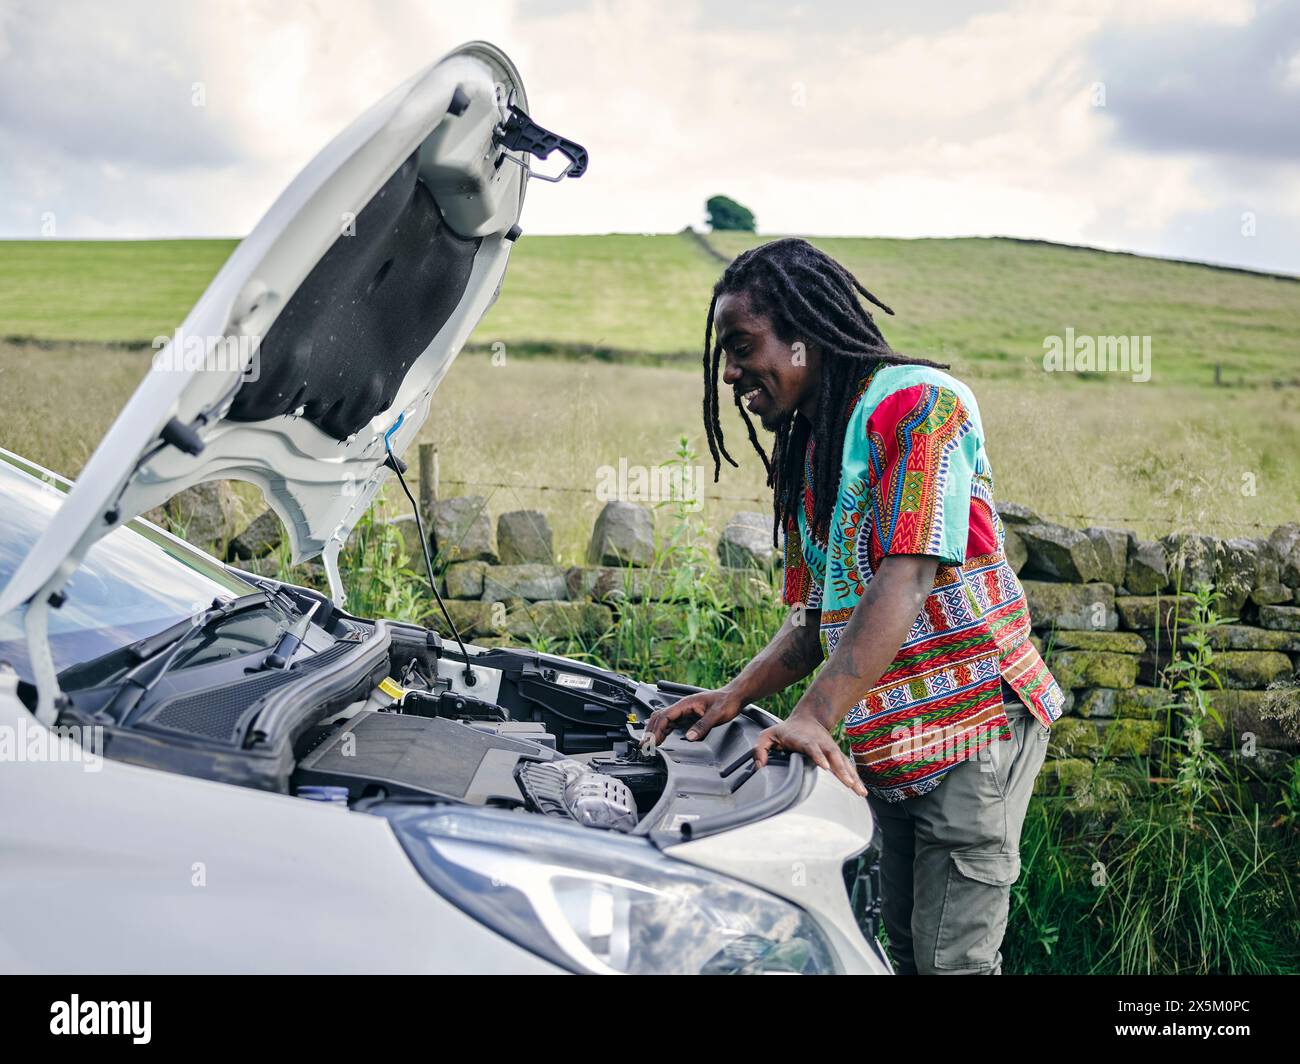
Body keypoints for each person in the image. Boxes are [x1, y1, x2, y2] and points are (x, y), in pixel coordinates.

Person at [644, 238, 1067, 974]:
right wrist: (734, 695)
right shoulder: (814, 450)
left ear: (806, 333)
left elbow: (906, 575)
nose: (730, 372)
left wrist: (812, 716)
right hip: (892, 740)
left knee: (952, 963)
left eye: (744, 347)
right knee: (905, 951)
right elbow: (816, 619)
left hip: (972, 729)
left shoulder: (920, 406)